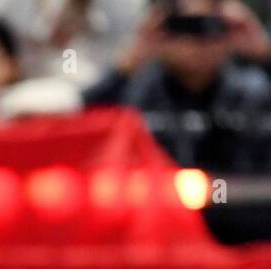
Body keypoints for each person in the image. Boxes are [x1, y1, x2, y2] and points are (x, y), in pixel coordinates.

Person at [83, 0, 271, 172]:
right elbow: (84, 124)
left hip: (244, 204)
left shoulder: (253, 91)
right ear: (159, 33)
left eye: (210, 27)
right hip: (157, 204)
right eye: (184, 27)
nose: (198, 43)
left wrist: (264, 54)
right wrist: (130, 62)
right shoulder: (137, 93)